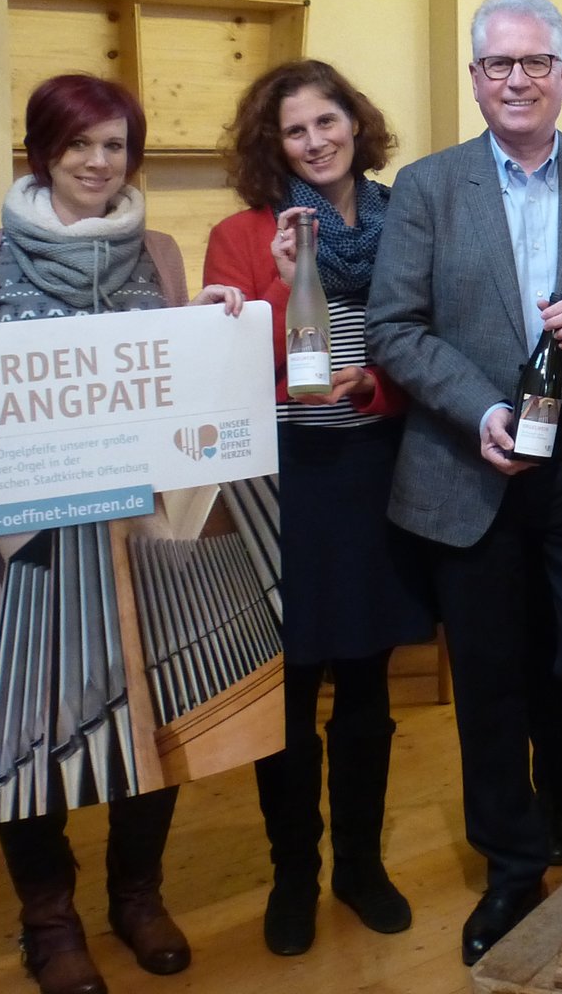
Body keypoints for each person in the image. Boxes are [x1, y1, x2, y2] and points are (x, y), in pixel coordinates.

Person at [0, 74, 245, 994]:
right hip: (29, 544)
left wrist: (214, 330)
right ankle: (48, 921)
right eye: (78, 143)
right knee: (27, 729)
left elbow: (177, 386)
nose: (97, 162)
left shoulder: (159, 252)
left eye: (115, 145)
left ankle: (137, 896)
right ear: (43, 151)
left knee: (154, 713)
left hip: (143, 530)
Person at [367, 0, 562, 965]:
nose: (518, 79)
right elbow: (393, 328)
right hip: (472, 470)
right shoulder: (428, 187)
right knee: (493, 683)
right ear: (476, 79)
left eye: (535, 62)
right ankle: (511, 866)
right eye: (499, 64)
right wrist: (479, 410)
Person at [204, 61, 434, 958]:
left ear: (354, 123)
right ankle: (293, 874)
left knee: (367, 686)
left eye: (327, 121)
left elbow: (425, 340)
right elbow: (229, 369)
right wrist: (280, 278)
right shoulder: (241, 234)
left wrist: (374, 385)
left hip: (376, 470)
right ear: (275, 144)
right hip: (282, 479)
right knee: (290, 689)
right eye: (295, 130)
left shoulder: (404, 221)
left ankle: (361, 868)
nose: (315, 142)